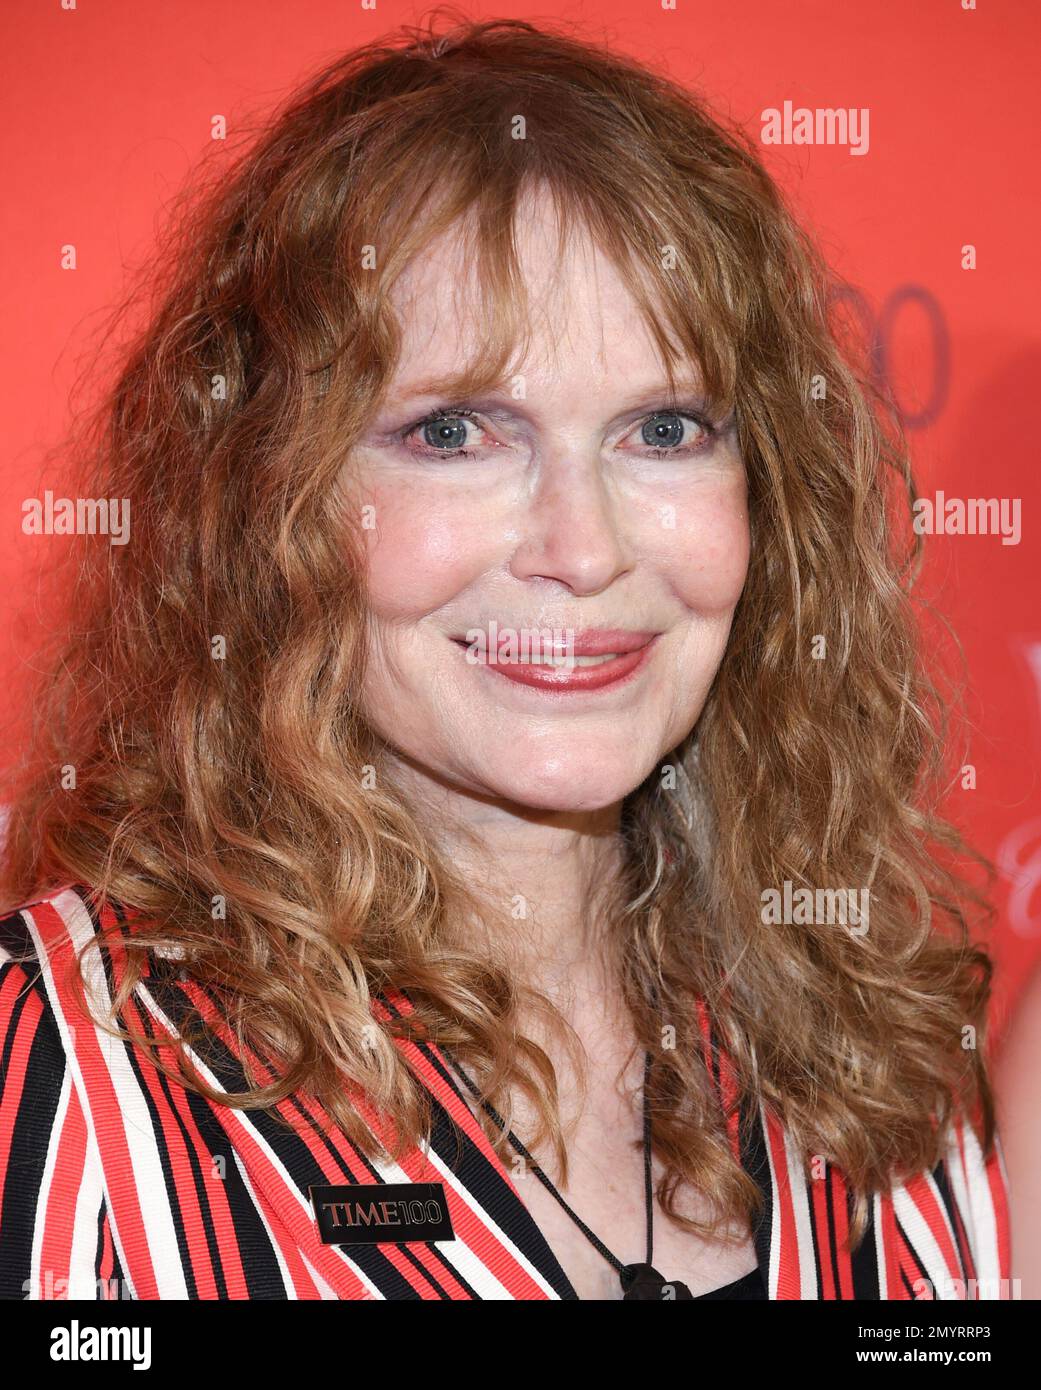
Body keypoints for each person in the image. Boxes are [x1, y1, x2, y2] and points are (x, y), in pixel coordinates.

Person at [0, 15, 1010, 1301]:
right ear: (268, 498)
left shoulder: (888, 1065)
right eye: (456, 432)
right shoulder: (79, 1075)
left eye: (663, 428)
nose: (583, 551)